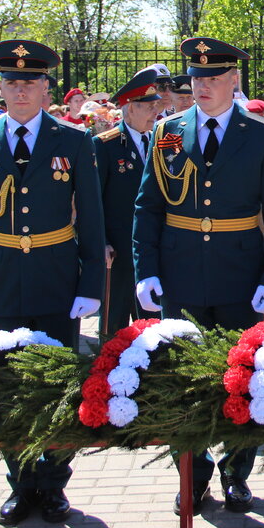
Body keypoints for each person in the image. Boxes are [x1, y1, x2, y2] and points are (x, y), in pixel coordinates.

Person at [134, 37, 264, 516]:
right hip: (181, 273)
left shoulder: (262, 135)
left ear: (233, 80)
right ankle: (193, 474)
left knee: (239, 376)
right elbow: (148, 207)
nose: (202, 86)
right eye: (197, 78)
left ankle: (237, 474)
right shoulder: (168, 133)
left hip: (241, 274)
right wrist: (146, 270)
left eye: (213, 77)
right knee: (185, 379)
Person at [0, 40, 105, 526]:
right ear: (0, 88)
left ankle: (55, 481)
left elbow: (92, 221)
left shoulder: (74, 140)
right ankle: (21, 482)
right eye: (12, 82)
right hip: (0, 279)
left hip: (56, 278)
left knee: (60, 383)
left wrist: (91, 284)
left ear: (47, 88)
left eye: (30, 82)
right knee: (7, 384)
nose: (20, 90)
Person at [94, 67, 162, 334]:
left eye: (157, 106)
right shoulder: (105, 145)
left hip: (152, 250)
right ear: (130, 108)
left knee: (154, 325)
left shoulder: (163, 141)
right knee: (113, 324)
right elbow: (92, 202)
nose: (155, 112)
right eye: (149, 107)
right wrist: (100, 242)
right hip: (118, 253)